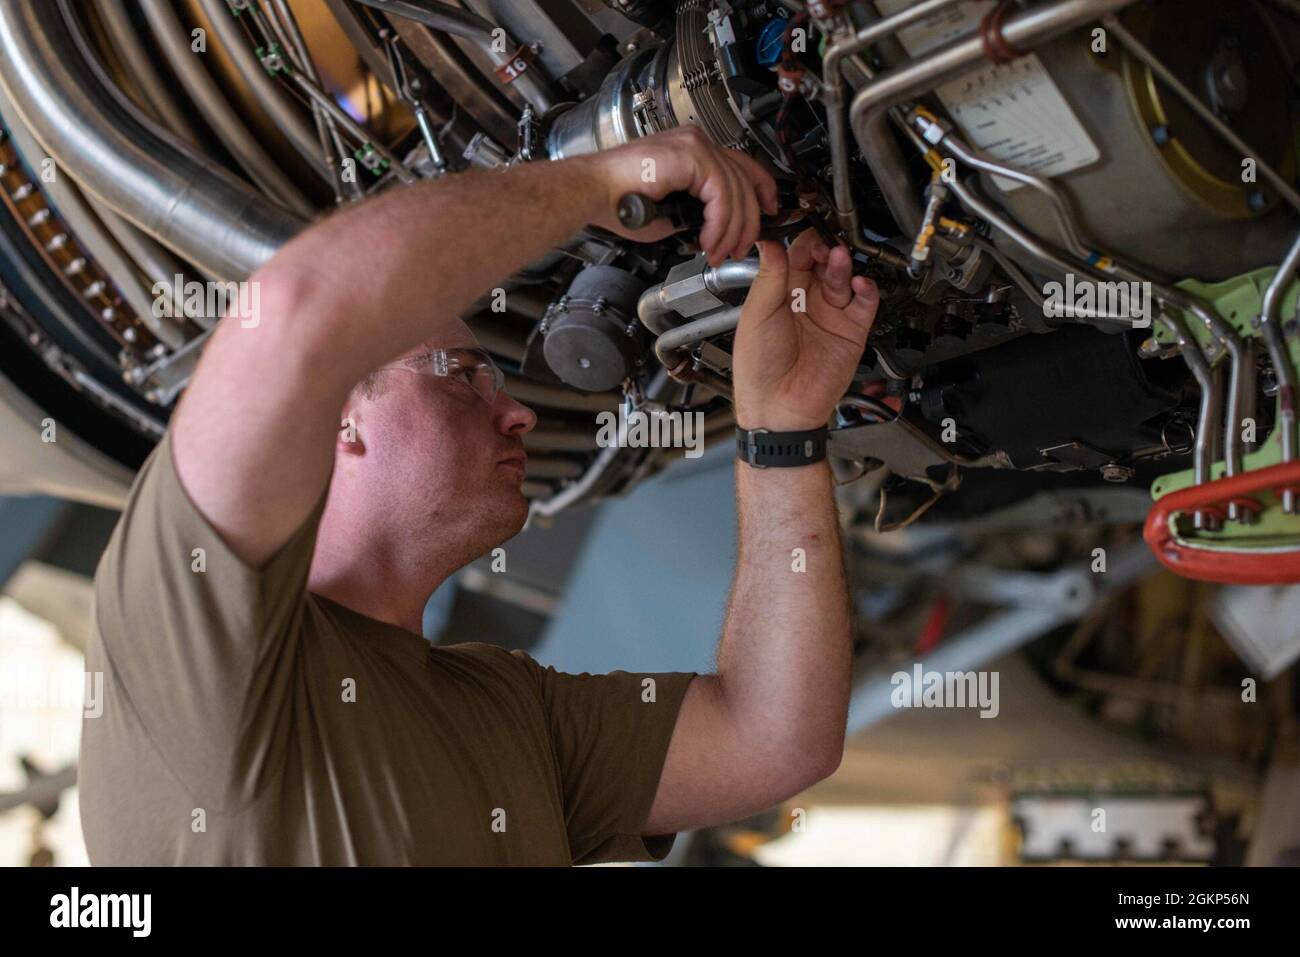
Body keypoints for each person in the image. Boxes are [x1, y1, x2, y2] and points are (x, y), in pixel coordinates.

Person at [80, 126, 879, 864]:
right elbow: (296, 307)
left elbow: (774, 737)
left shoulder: (506, 706)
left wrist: (781, 428)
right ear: (341, 423)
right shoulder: (195, 646)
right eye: (465, 377)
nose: (520, 411)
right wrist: (602, 180)